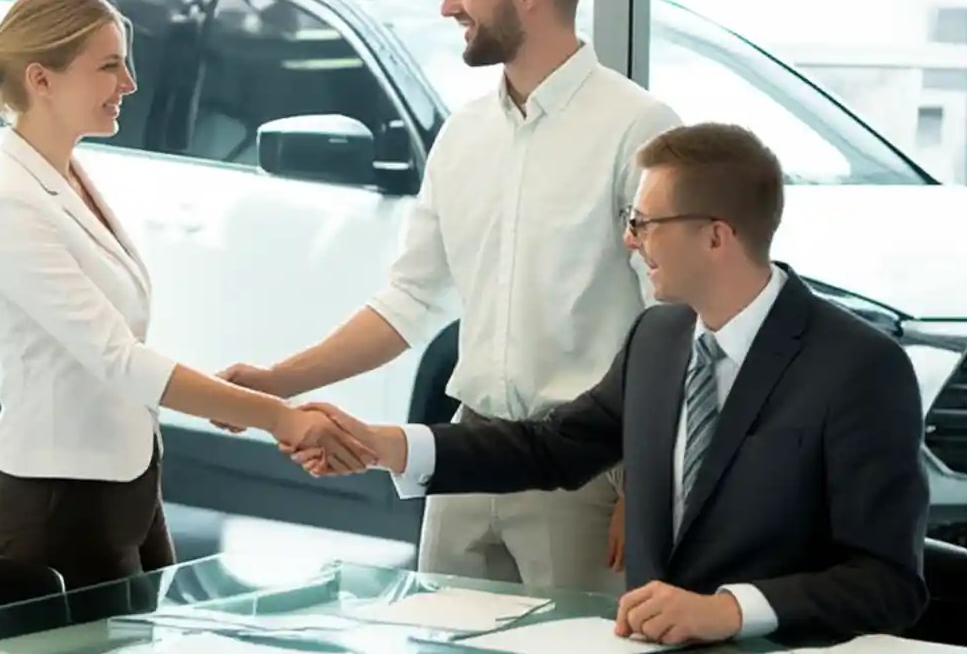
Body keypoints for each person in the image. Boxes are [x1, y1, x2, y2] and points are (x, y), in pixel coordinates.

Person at [290, 123, 931, 646]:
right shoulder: (658, 337)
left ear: (716, 236)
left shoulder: (859, 368)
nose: (630, 239)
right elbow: (553, 448)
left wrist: (730, 611)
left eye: (646, 221)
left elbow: (888, 583)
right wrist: (387, 445)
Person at [219, 0, 680, 594]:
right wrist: (275, 381)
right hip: (465, 457)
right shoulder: (464, 137)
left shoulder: (638, 128)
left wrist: (646, 484)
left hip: (583, 478)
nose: (447, 5)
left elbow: (670, 323)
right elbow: (408, 301)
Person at [0, 0, 375, 593]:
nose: (127, 82)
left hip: (126, 482)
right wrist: (278, 418)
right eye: (108, 66)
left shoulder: (67, 173)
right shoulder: (9, 207)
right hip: (59, 503)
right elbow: (118, 359)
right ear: (41, 80)